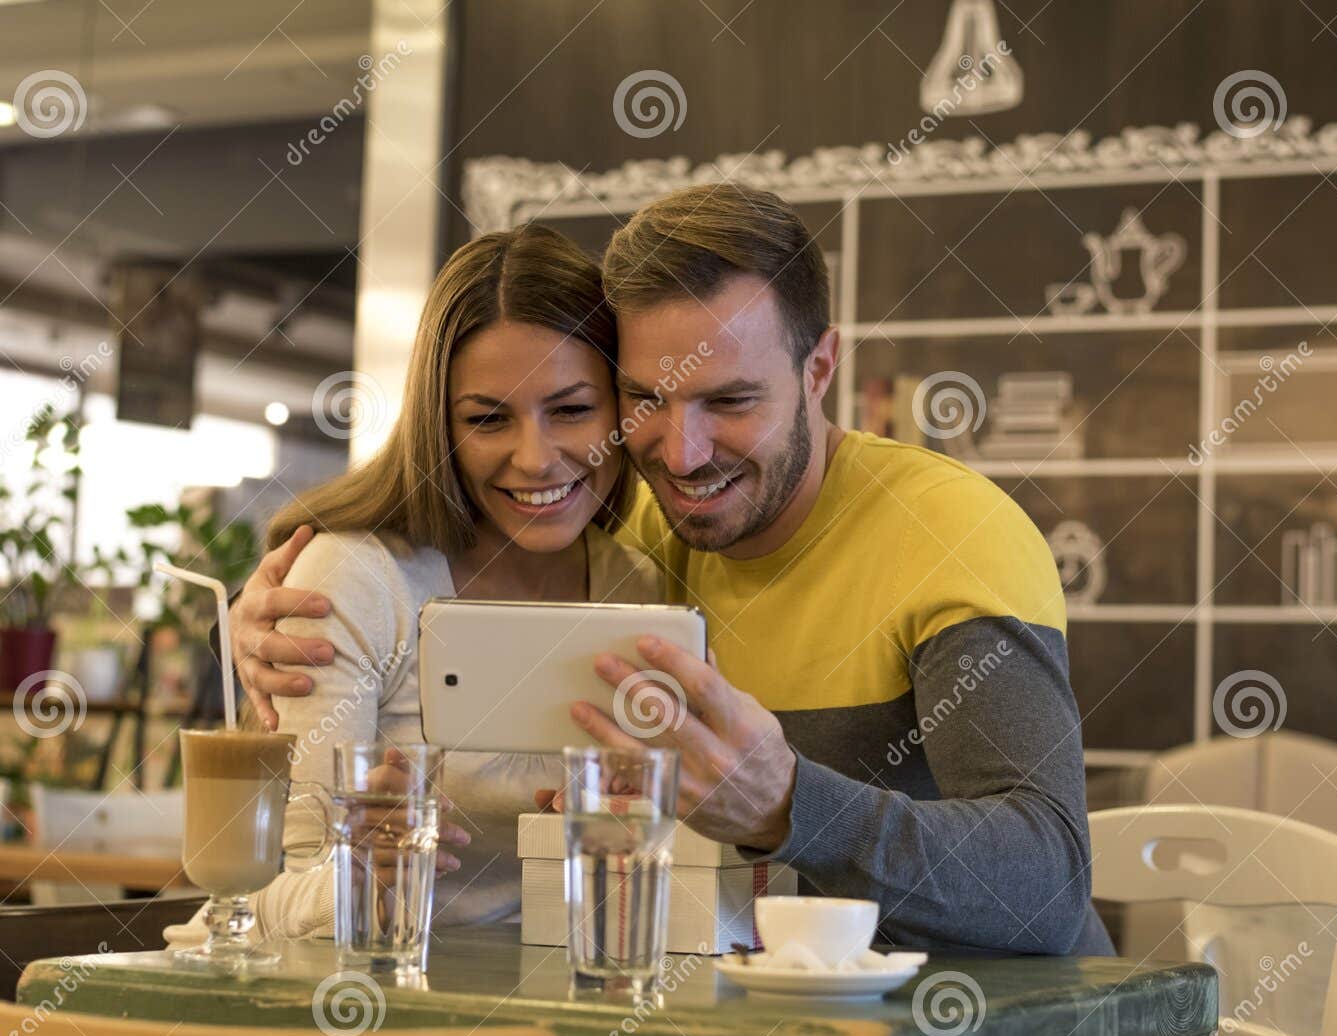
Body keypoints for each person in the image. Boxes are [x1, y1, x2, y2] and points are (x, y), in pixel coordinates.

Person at [232, 184, 1112, 956]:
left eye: (730, 400)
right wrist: (263, 615)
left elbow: (1044, 886)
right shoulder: (639, 542)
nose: (682, 454)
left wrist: (787, 804)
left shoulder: (954, 534)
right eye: (647, 399)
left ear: (820, 369)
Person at [220, 222, 660, 939]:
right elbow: (263, 898)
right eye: (488, 419)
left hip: (548, 1014)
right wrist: (362, 870)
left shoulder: (636, 588)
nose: (536, 457)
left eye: (572, 410)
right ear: (438, 428)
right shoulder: (357, 579)